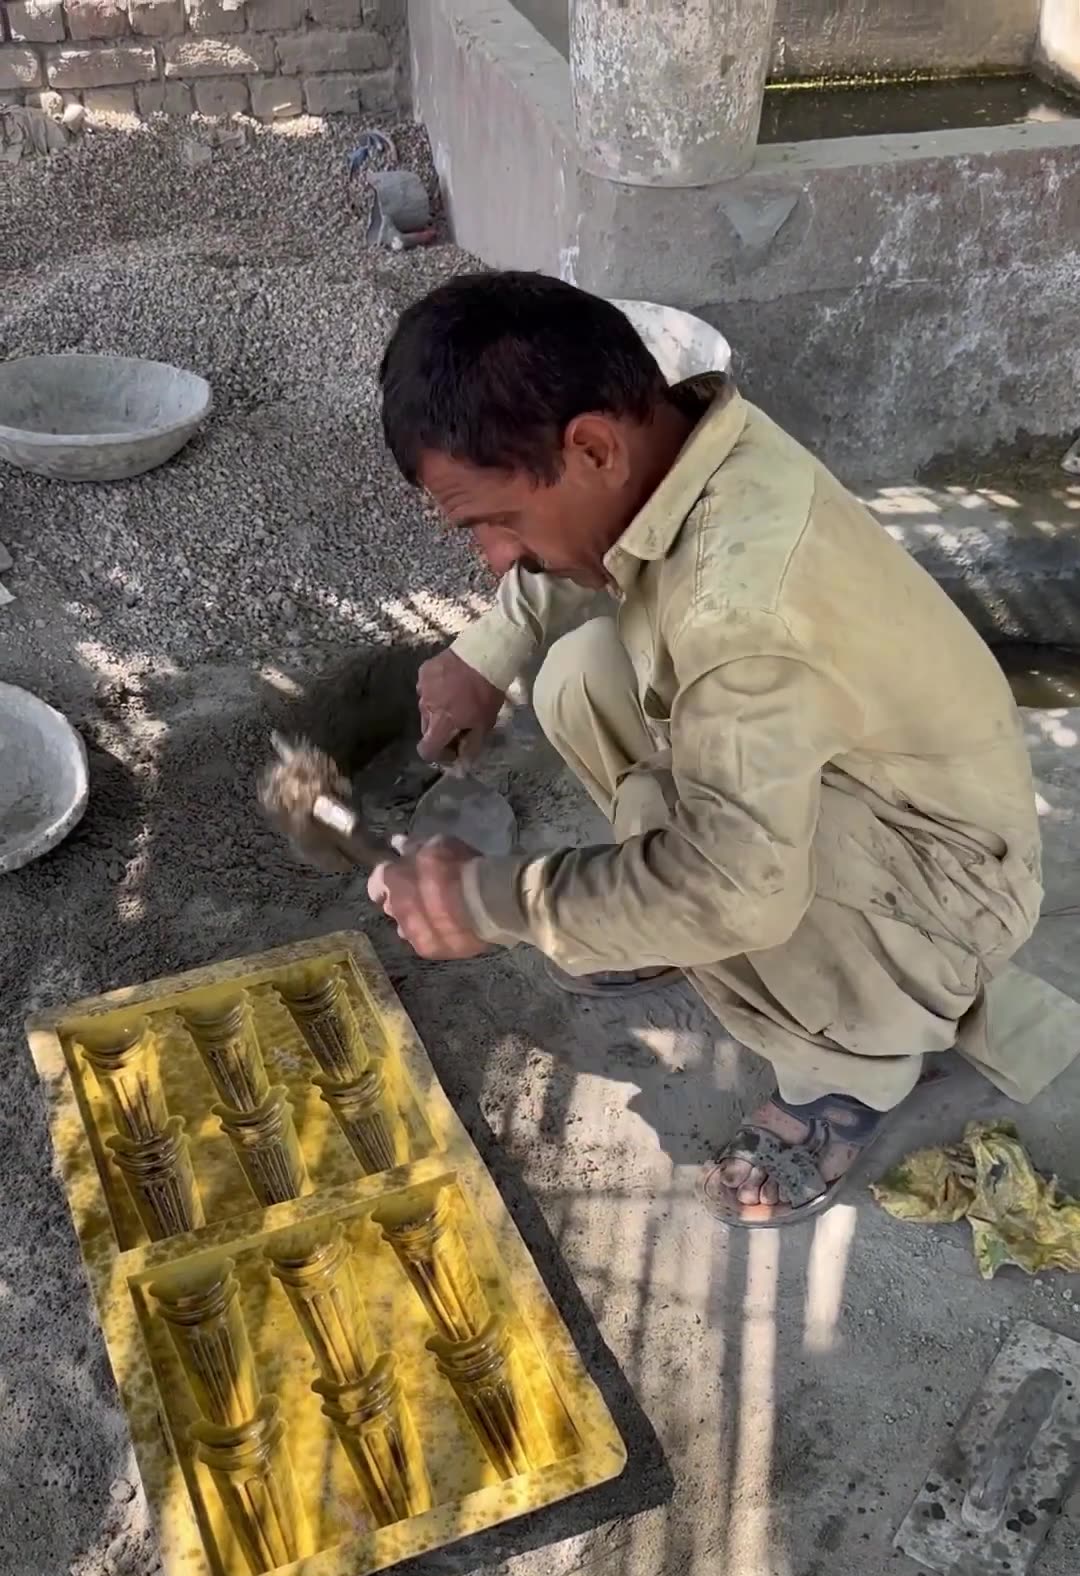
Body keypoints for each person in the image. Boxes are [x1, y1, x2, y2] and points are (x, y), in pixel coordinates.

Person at [368, 269, 1078, 1227]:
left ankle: (850, 1073)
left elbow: (733, 881)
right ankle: (686, 940)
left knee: (724, 874)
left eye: (494, 522)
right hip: (883, 791)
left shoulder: (740, 605)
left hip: (947, 884)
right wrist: (484, 654)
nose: (494, 557)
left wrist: (488, 900)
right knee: (581, 671)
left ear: (590, 445)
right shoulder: (691, 449)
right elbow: (600, 540)